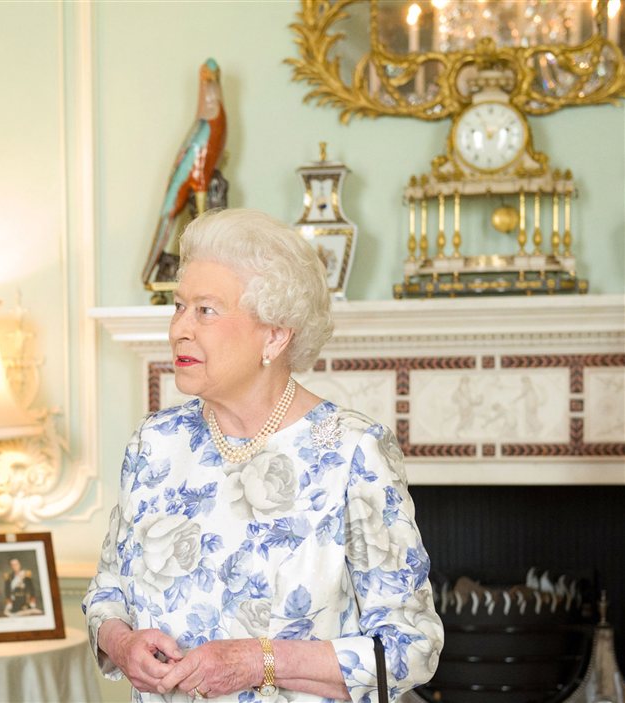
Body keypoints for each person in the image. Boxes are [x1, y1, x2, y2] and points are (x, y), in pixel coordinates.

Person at [83, 209, 443, 702]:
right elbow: (106, 595)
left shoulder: (352, 452)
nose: (179, 330)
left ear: (274, 335)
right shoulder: (154, 444)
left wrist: (258, 661)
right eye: (178, 307)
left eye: (206, 311)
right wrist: (122, 643)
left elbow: (411, 648)